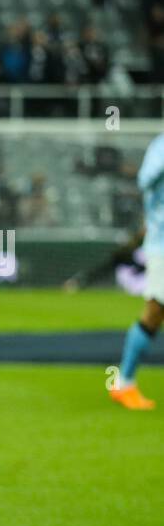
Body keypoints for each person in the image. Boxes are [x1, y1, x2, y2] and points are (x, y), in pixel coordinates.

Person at [107, 132, 164, 410]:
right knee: (154, 311)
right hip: (162, 244)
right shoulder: (161, 146)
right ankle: (124, 382)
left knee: (155, 312)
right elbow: (144, 180)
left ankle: (124, 382)